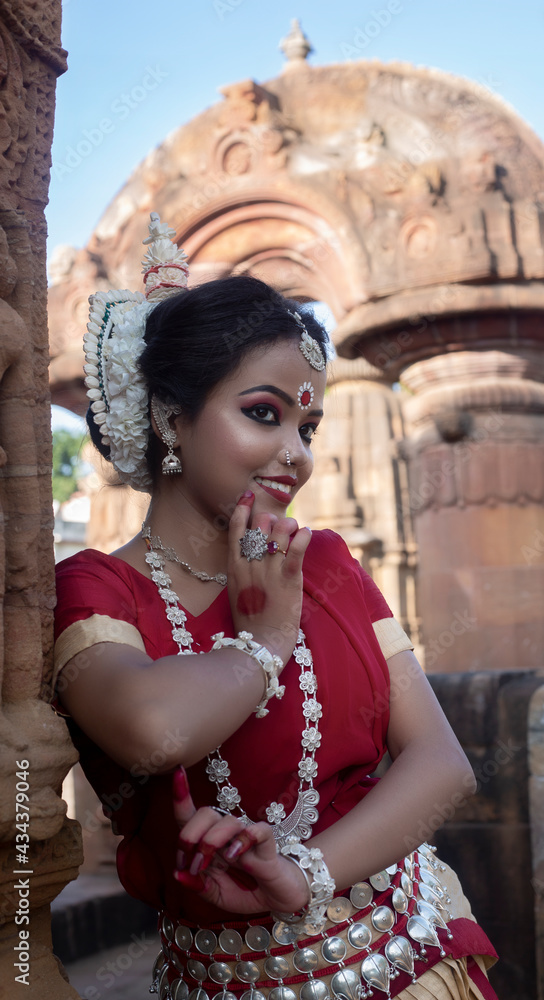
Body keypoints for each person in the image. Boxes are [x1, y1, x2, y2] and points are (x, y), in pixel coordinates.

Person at [53, 214, 499, 1000]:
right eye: (264, 413)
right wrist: (262, 641)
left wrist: (306, 873)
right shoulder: (95, 588)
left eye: (308, 425)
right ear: (170, 417)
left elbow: (441, 763)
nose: (296, 454)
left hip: (407, 960)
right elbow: (154, 733)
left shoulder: (320, 563)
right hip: (221, 979)